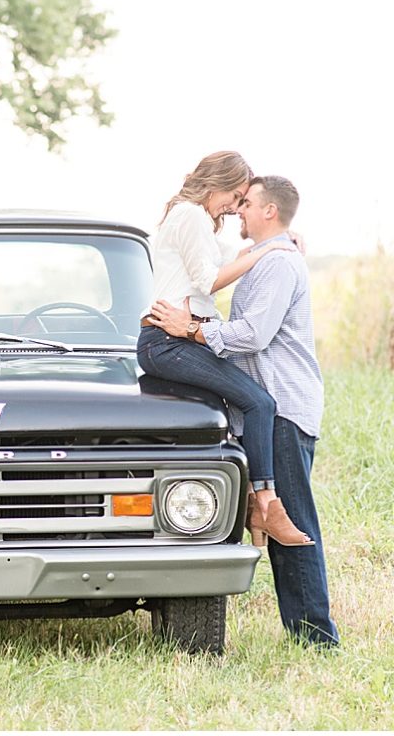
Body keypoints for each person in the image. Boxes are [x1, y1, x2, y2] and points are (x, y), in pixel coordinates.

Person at [149, 175, 339, 647]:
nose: (239, 211)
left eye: (247, 203)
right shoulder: (265, 260)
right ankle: (306, 630)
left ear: (269, 211)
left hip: (282, 409)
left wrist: (191, 330)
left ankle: (317, 638)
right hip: (268, 408)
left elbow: (253, 335)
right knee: (280, 519)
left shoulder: (277, 266)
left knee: (292, 522)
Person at [137, 151, 311, 546]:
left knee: (240, 407)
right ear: (216, 182)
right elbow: (209, 280)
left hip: (173, 338)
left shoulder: (193, 219)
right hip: (167, 340)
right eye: (234, 197)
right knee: (260, 403)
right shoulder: (191, 215)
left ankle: (255, 502)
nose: (234, 209)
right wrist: (267, 250)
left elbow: (224, 260)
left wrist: (279, 241)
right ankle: (264, 503)